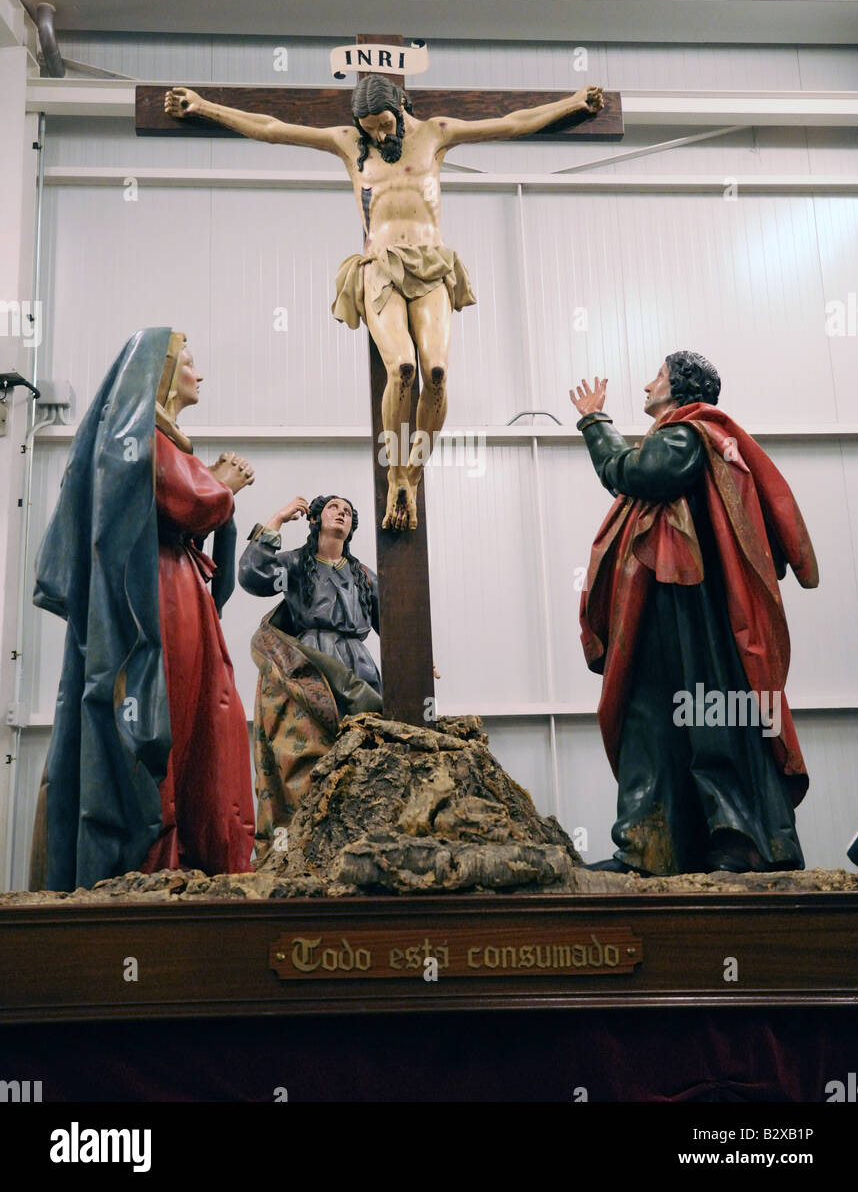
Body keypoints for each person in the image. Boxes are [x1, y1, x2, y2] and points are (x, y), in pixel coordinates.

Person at [165, 75, 603, 531]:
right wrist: (203, 107)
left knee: (435, 372)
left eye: (385, 123)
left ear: (401, 106)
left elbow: (513, 123)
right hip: (380, 268)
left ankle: (412, 474)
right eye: (369, 126)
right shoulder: (346, 141)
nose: (378, 134)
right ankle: (395, 473)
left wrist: (573, 102)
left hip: (431, 265)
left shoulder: (436, 133)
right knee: (403, 369)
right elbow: (271, 127)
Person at [571, 351, 819, 875]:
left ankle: (736, 838)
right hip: (660, 610)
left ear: (680, 389)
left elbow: (633, 472)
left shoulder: (687, 436)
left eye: (656, 377)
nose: (646, 385)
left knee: (706, 716)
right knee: (651, 722)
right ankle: (647, 846)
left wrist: (595, 423)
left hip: (690, 613)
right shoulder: (688, 438)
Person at [30, 328, 256, 890]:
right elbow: (181, 501)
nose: (200, 375)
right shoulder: (137, 435)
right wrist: (220, 487)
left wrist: (214, 492)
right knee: (165, 717)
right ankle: (159, 861)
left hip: (180, 592)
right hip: (157, 600)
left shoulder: (168, 440)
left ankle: (196, 855)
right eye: (191, 364)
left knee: (200, 716)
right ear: (161, 373)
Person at [238, 494, 382, 857]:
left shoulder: (363, 575)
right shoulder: (297, 565)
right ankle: (294, 847)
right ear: (315, 519)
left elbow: (394, 622)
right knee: (302, 756)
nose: (342, 513)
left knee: (360, 759)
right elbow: (253, 575)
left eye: (348, 511)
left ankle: (353, 846)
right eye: (334, 507)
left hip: (357, 670)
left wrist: (420, 662)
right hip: (306, 669)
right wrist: (278, 519)